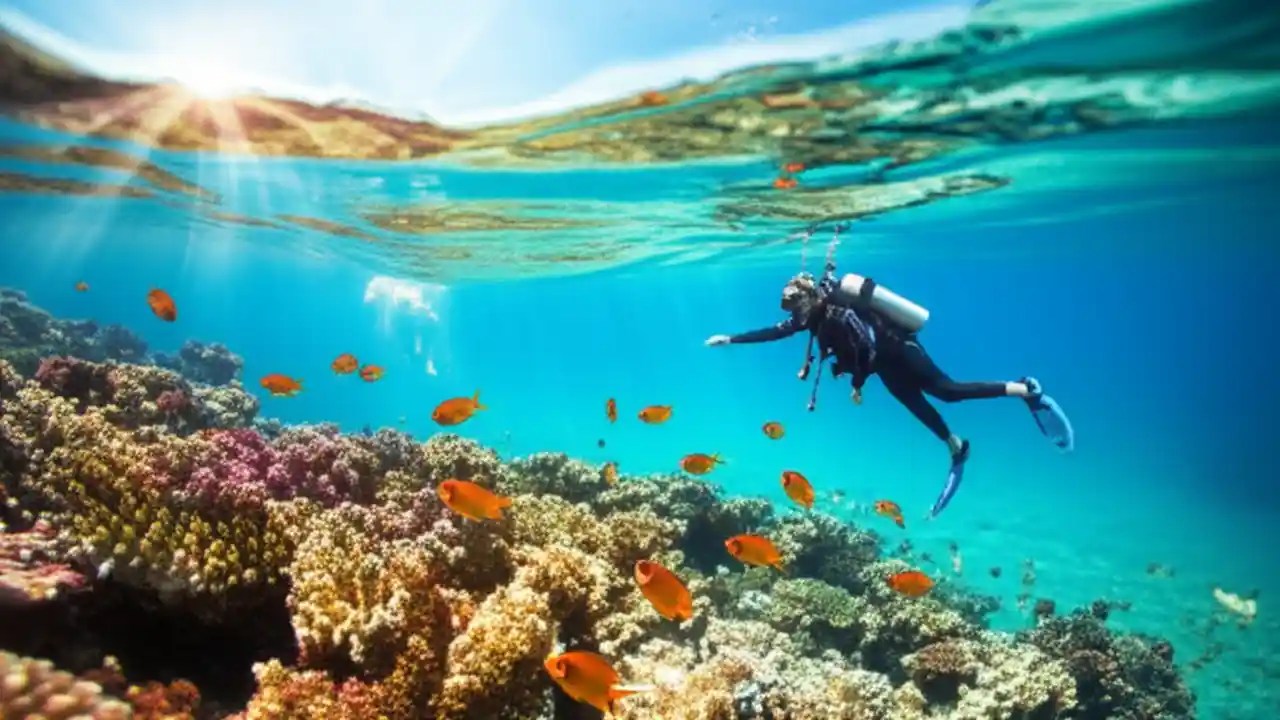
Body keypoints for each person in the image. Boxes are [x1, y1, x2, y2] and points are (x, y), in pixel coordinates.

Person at [705, 267, 1072, 517]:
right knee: (916, 406)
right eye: (791, 309)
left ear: (810, 298)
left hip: (901, 352)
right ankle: (956, 447)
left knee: (947, 392)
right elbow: (774, 332)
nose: (795, 314)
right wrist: (732, 339)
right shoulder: (809, 317)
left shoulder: (836, 313)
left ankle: (1025, 389)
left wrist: (857, 382)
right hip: (883, 366)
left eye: (797, 305)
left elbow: (866, 344)